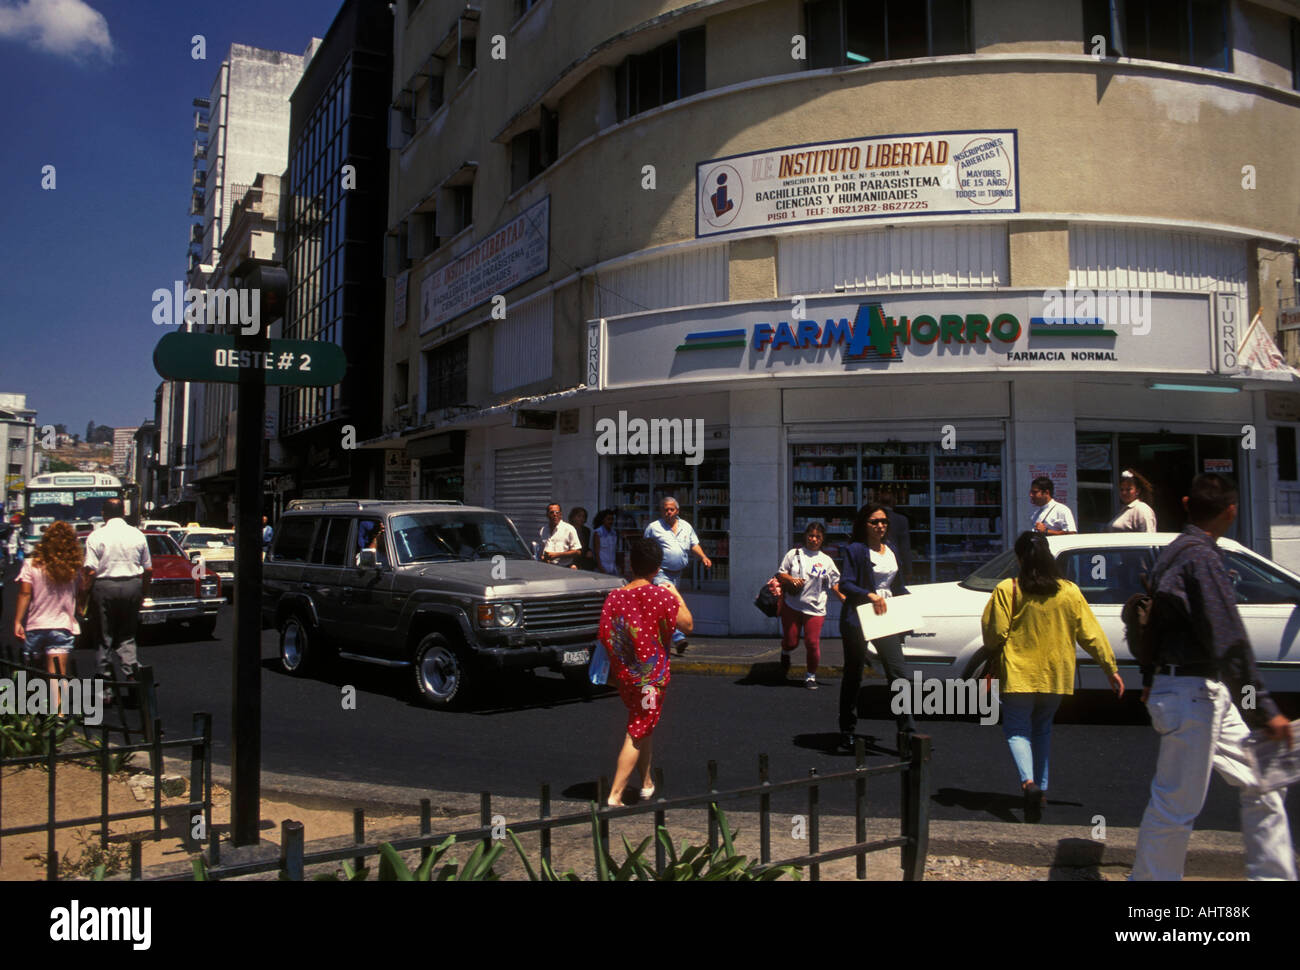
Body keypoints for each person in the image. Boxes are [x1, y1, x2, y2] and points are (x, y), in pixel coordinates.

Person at [1130, 474, 1296, 881]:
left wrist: (1150, 678)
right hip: (1194, 694)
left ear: (1187, 503)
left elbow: (1150, 623)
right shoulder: (1203, 559)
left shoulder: (1171, 553)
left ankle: (1275, 876)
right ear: (1231, 511)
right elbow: (1229, 641)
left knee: (1264, 780)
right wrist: (1264, 713)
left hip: (1197, 691)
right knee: (1176, 804)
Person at [981, 531, 1124, 823]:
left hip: (1019, 673)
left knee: (1018, 730)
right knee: (1043, 729)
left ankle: (1028, 783)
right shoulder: (1069, 591)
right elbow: (1091, 634)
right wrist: (1110, 668)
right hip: (1055, 675)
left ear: (1019, 559)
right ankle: (1042, 790)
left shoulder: (1008, 590)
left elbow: (995, 634)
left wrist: (993, 659)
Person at [599, 537, 692, 806]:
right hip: (652, 679)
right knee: (639, 729)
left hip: (626, 674)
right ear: (658, 567)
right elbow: (687, 625)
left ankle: (646, 782)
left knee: (643, 723)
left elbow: (606, 634)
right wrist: (676, 595)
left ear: (631, 563)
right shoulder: (662, 596)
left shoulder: (615, 597)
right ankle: (615, 794)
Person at [838, 503, 915, 750]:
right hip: (860, 616)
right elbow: (846, 584)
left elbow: (898, 584)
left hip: (886, 614)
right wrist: (869, 595)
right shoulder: (855, 550)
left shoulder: (890, 549)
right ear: (864, 524)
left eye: (884, 522)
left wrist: (909, 610)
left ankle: (908, 734)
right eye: (875, 522)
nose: (880, 526)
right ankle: (847, 730)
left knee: (897, 673)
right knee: (854, 674)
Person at [82, 498, 152, 694]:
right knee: (127, 635)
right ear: (123, 512)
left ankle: (105, 686)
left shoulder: (96, 536)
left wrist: (83, 597)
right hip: (132, 585)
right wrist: (143, 592)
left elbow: (89, 571)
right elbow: (148, 569)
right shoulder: (137, 535)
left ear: (104, 514)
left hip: (104, 586)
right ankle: (131, 673)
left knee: (104, 636)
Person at [13, 521, 86, 690]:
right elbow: (80, 592)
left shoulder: (31, 564)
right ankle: (59, 712)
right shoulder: (74, 568)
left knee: (32, 677)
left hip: (36, 625)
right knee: (58, 676)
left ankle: (33, 712)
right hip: (61, 625)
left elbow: (25, 593)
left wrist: (18, 621)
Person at [776, 522, 842, 690]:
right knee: (791, 642)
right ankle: (785, 652)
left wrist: (843, 598)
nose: (813, 539)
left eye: (817, 537)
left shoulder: (826, 561)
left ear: (822, 540)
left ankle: (810, 676)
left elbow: (835, 583)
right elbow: (780, 574)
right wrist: (791, 580)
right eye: (811, 535)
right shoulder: (794, 554)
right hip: (792, 606)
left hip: (815, 609)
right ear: (805, 536)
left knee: (812, 643)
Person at [643, 496, 711, 654]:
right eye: (665, 509)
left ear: (677, 510)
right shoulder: (653, 527)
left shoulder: (686, 526)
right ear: (661, 511)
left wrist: (704, 557)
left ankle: (660, 640)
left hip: (677, 573)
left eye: (671, 509)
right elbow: (645, 548)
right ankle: (678, 637)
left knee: (663, 607)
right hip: (660, 573)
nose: (668, 512)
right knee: (671, 603)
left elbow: (694, 544)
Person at [878, 487, 913, 584]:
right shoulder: (901, 519)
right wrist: (908, 570)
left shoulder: (872, 519)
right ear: (894, 501)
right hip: (895, 562)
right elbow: (905, 548)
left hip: (875, 561)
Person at [539, 502, 582, 567]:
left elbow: (577, 552)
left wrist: (557, 555)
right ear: (547, 515)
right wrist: (543, 557)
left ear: (560, 515)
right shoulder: (543, 530)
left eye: (557, 512)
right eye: (551, 512)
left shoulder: (569, 529)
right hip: (547, 567)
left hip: (563, 567)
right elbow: (542, 550)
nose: (554, 514)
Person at [591, 509, 621, 577]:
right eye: (608, 519)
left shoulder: (614, 533)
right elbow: (596, 552)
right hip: (602, 567)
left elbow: (615, 551)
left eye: (612, 519)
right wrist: (601, 568)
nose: (611, 521)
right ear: (603, 520)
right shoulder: (598, 533)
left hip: (612, 567)